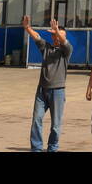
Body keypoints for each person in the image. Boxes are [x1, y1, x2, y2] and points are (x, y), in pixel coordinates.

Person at [24, 15, 72, 152]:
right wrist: (27, 28)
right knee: (36, 120)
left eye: (60, 35)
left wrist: (57, 31)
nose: (57, 37)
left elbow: (64, 42)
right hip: (42, 90)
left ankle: (52, 148)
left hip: (57, 91)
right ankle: (36, 148)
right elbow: (37, 37)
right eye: (55, 35)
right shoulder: (46, 48)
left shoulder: (66, 51)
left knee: (56, 125)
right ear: (52, 37)